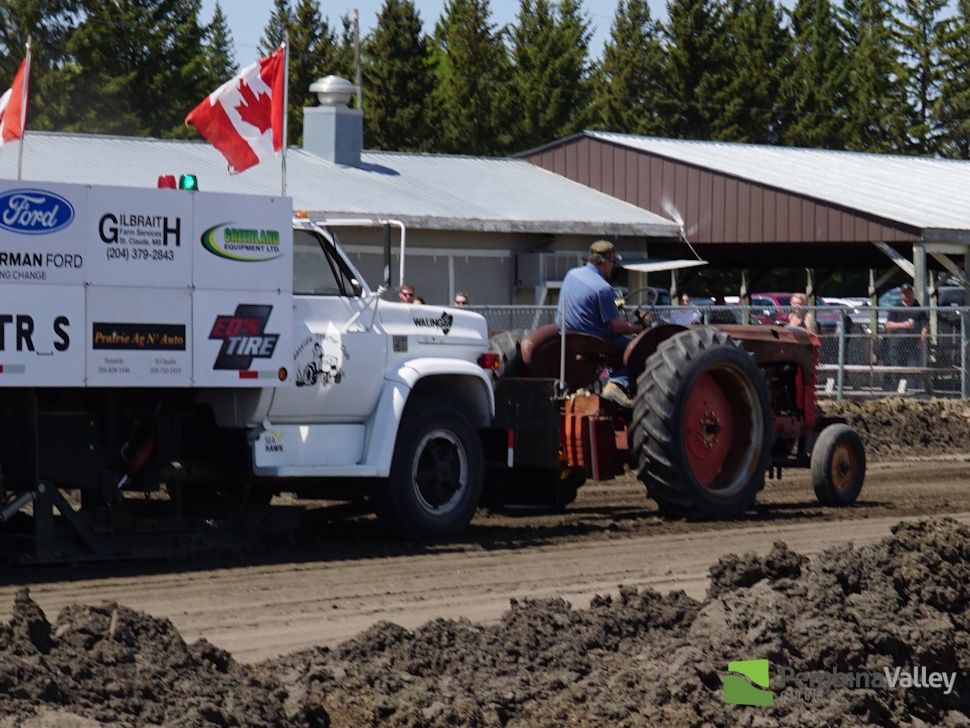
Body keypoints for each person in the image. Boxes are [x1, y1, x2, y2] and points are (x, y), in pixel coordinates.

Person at [557, 240, 647, 407]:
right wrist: (640, 327)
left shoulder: (571, 274)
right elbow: (617, 327)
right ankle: (617, 384)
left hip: (567, 336)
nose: (613, 266)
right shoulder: (603, 288)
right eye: (613, 262)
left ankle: (602, 382)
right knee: (639, 351)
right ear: (605, 262)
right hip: (593, 339)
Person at [885, 283, 928, 390]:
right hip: (896, 346)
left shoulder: (918, 309)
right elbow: (888, 325)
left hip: (913, 347)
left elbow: (925, 326)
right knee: (896, 374)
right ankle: (895, 395)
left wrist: (921, 340)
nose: (907, 295)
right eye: (905, 293)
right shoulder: (896, 308)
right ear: (901, 295)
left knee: (912, 374)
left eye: (909, 292)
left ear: (912, 293)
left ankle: (911, 397)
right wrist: (902, 325)